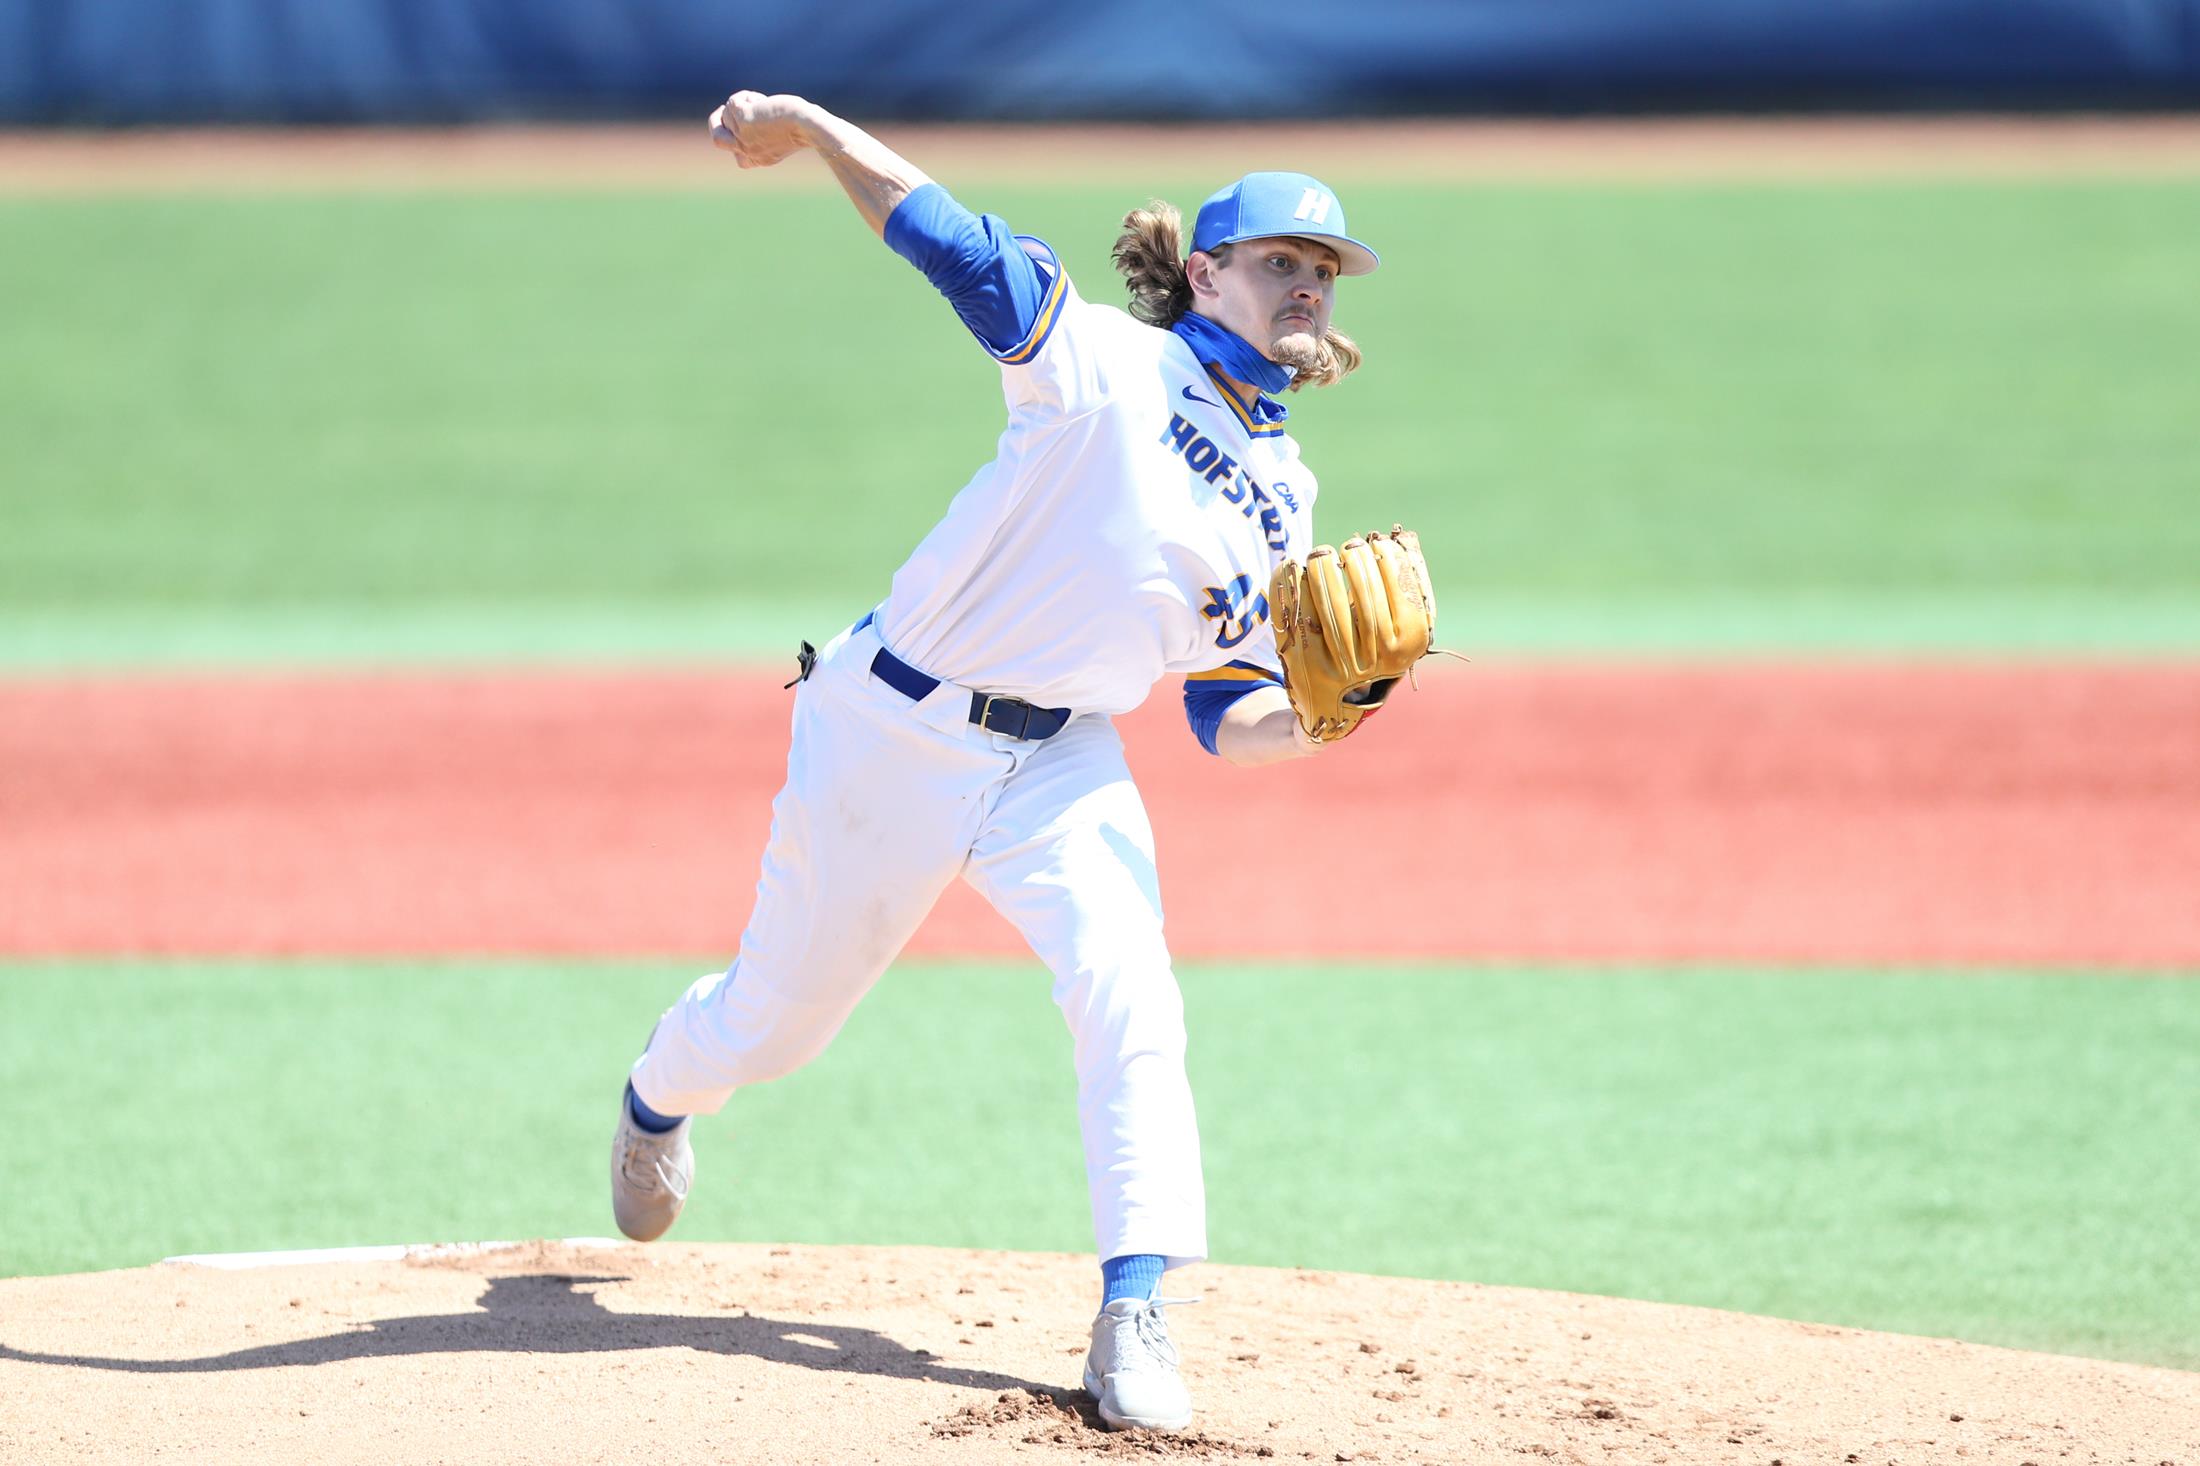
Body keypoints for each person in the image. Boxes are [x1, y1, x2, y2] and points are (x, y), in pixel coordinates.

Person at [610, 89, 1384, 1433]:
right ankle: (657, 1095)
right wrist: (813, 129)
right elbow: (954, 241)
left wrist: (1328, 716)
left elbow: (1224, 713)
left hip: (1060, 760)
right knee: (774, 1025)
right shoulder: (1102, 363)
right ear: (1207, 277)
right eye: (1281, 261)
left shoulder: (1287, 500)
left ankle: (1135, 1307)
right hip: (890, 727)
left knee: (1131, 991)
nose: (1309, 285)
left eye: (1323, 268)